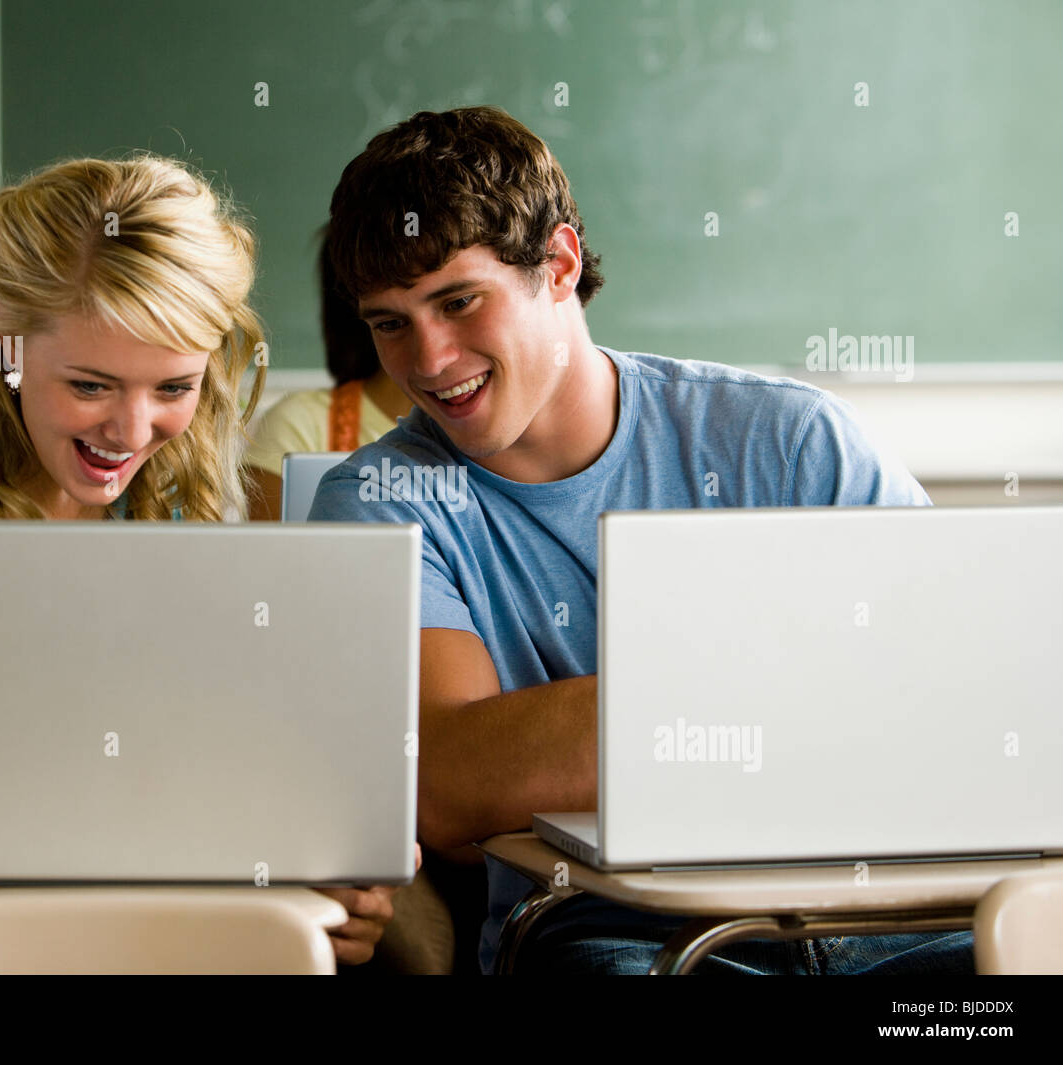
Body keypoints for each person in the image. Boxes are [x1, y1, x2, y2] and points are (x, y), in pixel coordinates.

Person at [308, 106, 974, 974]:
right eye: (389, 322)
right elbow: (447, 783)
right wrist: (793, 690)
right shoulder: (380, 500)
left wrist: (597, 728)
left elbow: (955, 703)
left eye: (457, 301)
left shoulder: (790, 438)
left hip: (901, 914)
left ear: (559, 264)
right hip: (620, 934)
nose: (428, 360)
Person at [0, 155, 398, 964]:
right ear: (3, 331)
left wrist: (306, 869)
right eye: (91, 384)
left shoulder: (180, 486)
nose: (132, 434)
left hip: (69, 919)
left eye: (174, 387)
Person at [245, 234, 408, 521]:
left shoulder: (495, 435)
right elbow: (266, 559)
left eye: (457, 302)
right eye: (392, 321)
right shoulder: (301, 424)